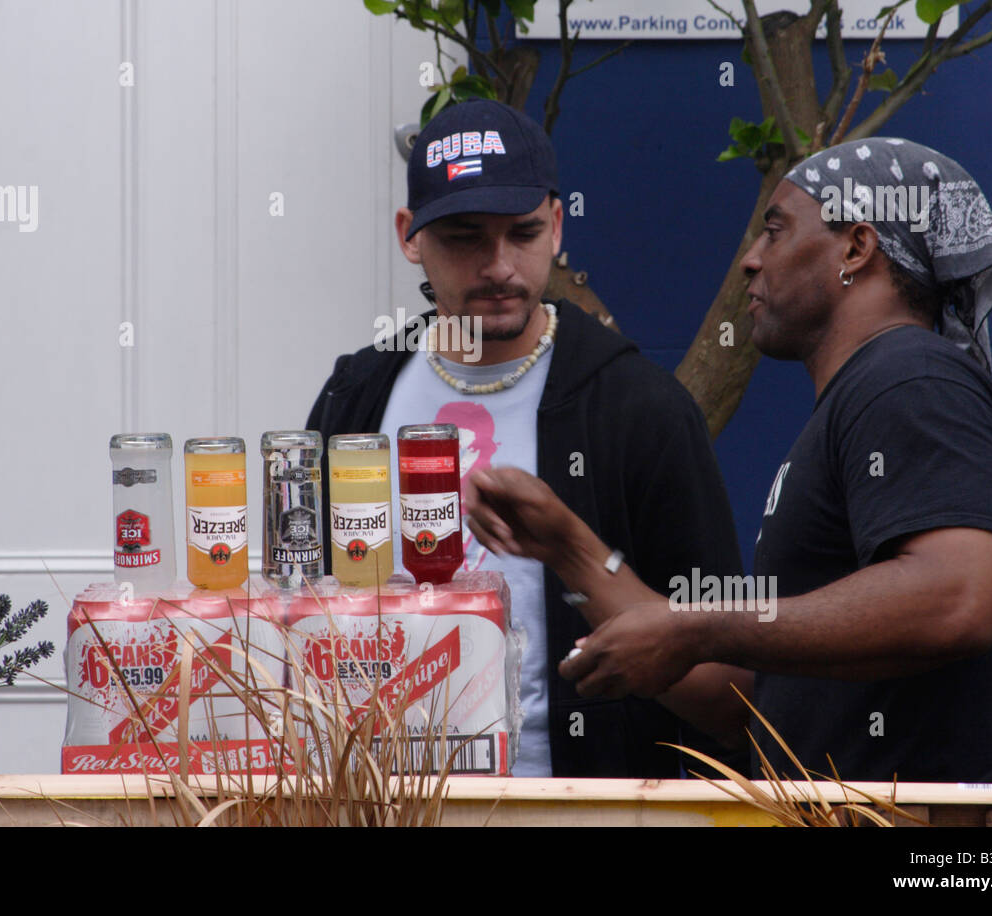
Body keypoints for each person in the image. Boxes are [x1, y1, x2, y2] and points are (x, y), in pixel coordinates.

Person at [466, 137, 992, 784]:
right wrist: (572, 550)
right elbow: (742, 704)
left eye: (775, 232)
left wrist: (699, 627)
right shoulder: (868, 397)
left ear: (856, 249)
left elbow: (956, 599)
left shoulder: (910, 378)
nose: (750, 260)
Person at [306, 98, 743, 778]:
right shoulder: (356, 395)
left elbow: (729, 686)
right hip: (375, 797)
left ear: (558, 226)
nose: (500, 265)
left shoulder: (638, 408)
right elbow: (300, 613)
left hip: (575, 804)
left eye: (524, 233)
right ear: (409, 236)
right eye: (465, 237)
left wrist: (583, 560)